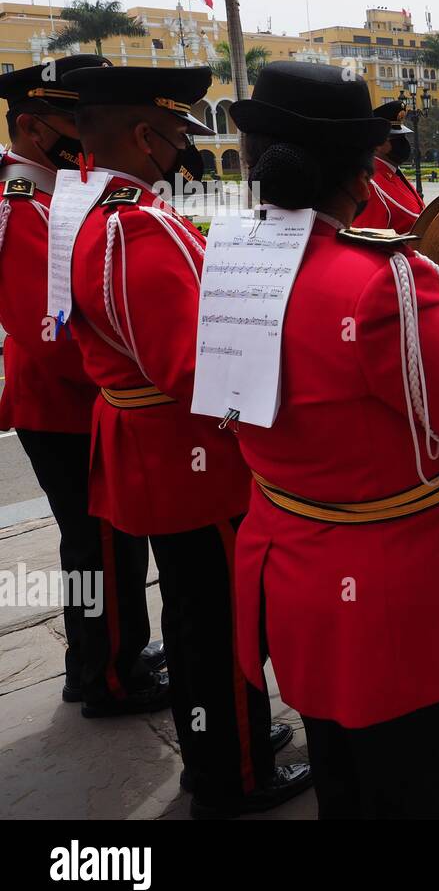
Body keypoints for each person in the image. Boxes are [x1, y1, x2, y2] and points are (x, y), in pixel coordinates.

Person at [226, 61, 439, 819]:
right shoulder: (384, 281)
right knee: (420, 793)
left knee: (343, 785)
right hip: (400, 608)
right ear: (361, 172)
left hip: (297, 577)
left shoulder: (231, 257)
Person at [62, 64, 306, 818]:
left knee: (196, 611)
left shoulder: (103, 211)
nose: (181, 155)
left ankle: (228, 740)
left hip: (161, 448)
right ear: (143, 136)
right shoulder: (135, 225)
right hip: (188, 454)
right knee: (217, 621)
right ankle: (231, 767)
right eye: (174, 138)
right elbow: (191, 366)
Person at [0, 55, 166, 715]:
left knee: (112, 543)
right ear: (37, 128)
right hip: (67, 404)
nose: (86, 135)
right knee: (99, 546)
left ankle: (110, 652)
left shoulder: (51, 194)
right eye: (75, 120)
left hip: (80, 400)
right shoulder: (22, 205)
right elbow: (53, 331)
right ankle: (106, 673)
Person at [353, 99, 423, 233]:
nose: (404, 143)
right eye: (396, 139)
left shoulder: (394, 173)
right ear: (377, 143)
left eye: (403, 136)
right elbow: (370, 243)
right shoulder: (370, 185)